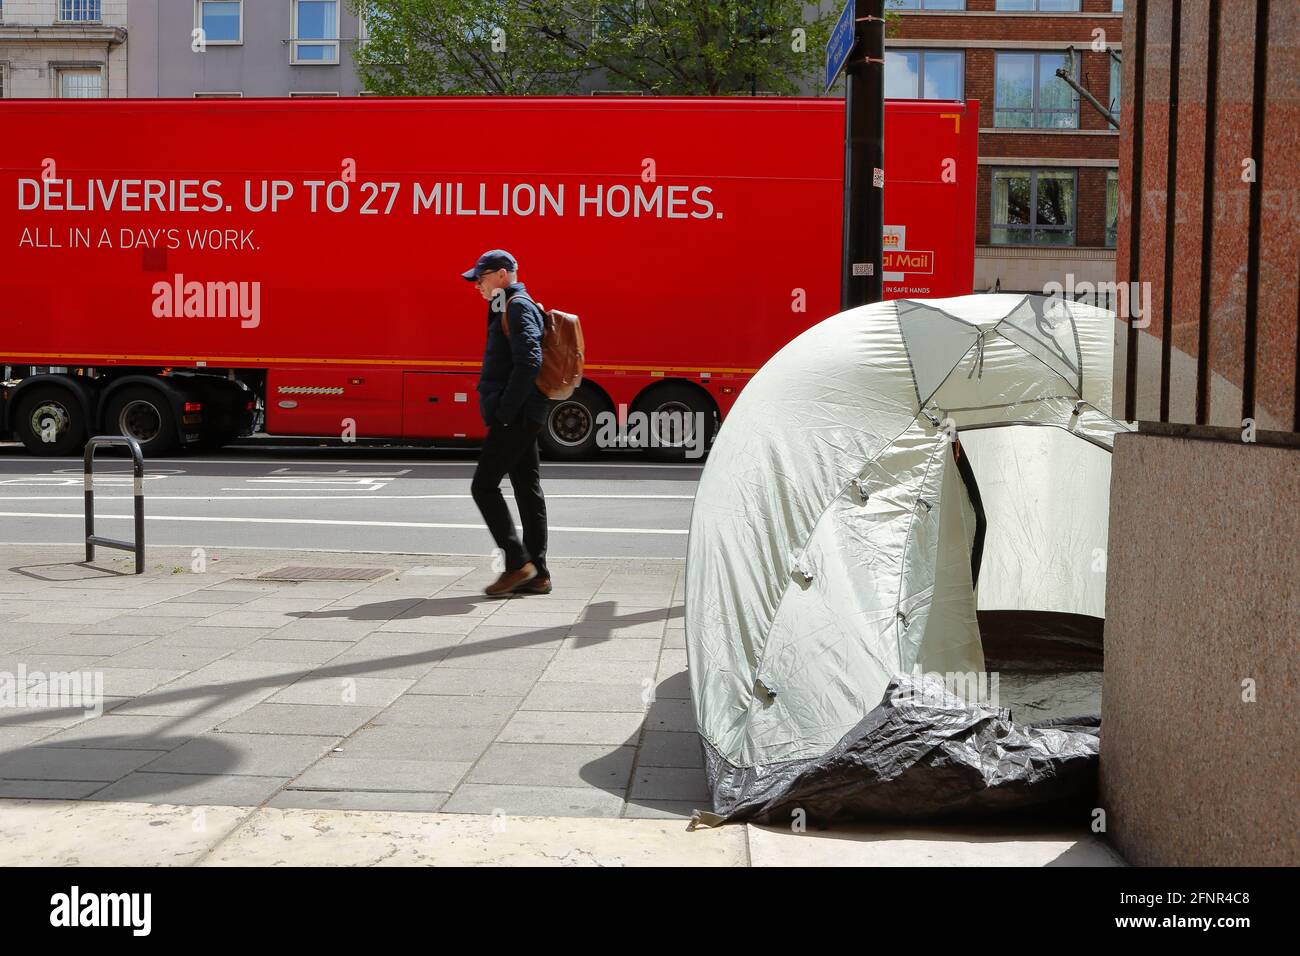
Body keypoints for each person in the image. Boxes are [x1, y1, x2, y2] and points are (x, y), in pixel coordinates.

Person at [462, 249, 552, 596]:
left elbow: (530, 360)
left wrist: (504, 410)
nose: (477, 286)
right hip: (525, 413)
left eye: (480, 279)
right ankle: (539, 573)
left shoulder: (516, 306)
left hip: (516, 415)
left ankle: (517, 564)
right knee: (528, 491)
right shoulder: (511, 304)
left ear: (502, 274)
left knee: (483, 486)